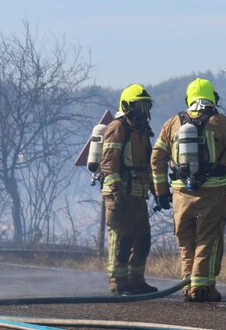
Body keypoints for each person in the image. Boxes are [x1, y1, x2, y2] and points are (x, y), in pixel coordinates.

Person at [150, 77, 226, 303]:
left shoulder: (172, 123)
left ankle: (191, 285)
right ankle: (200, 288)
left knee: (186, 241)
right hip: (213, 194)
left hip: (181, 195)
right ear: (213, 98)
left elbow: (157, 157)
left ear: (189, 98)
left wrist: (160, 191)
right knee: (207, 239)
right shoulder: (221, 122)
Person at [101, 84, 158, 295]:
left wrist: (157, 191)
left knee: (142, 238)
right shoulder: (118, 127)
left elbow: (148, 165)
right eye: (139, 106)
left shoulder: (142, 131)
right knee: (121, 238)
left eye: (146, 106)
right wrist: (117, 192)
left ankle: (136, 281)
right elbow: (108, 162)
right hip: (120, 195)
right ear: (127, 106)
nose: (144, 112)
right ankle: (118, 284)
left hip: (138, 194)